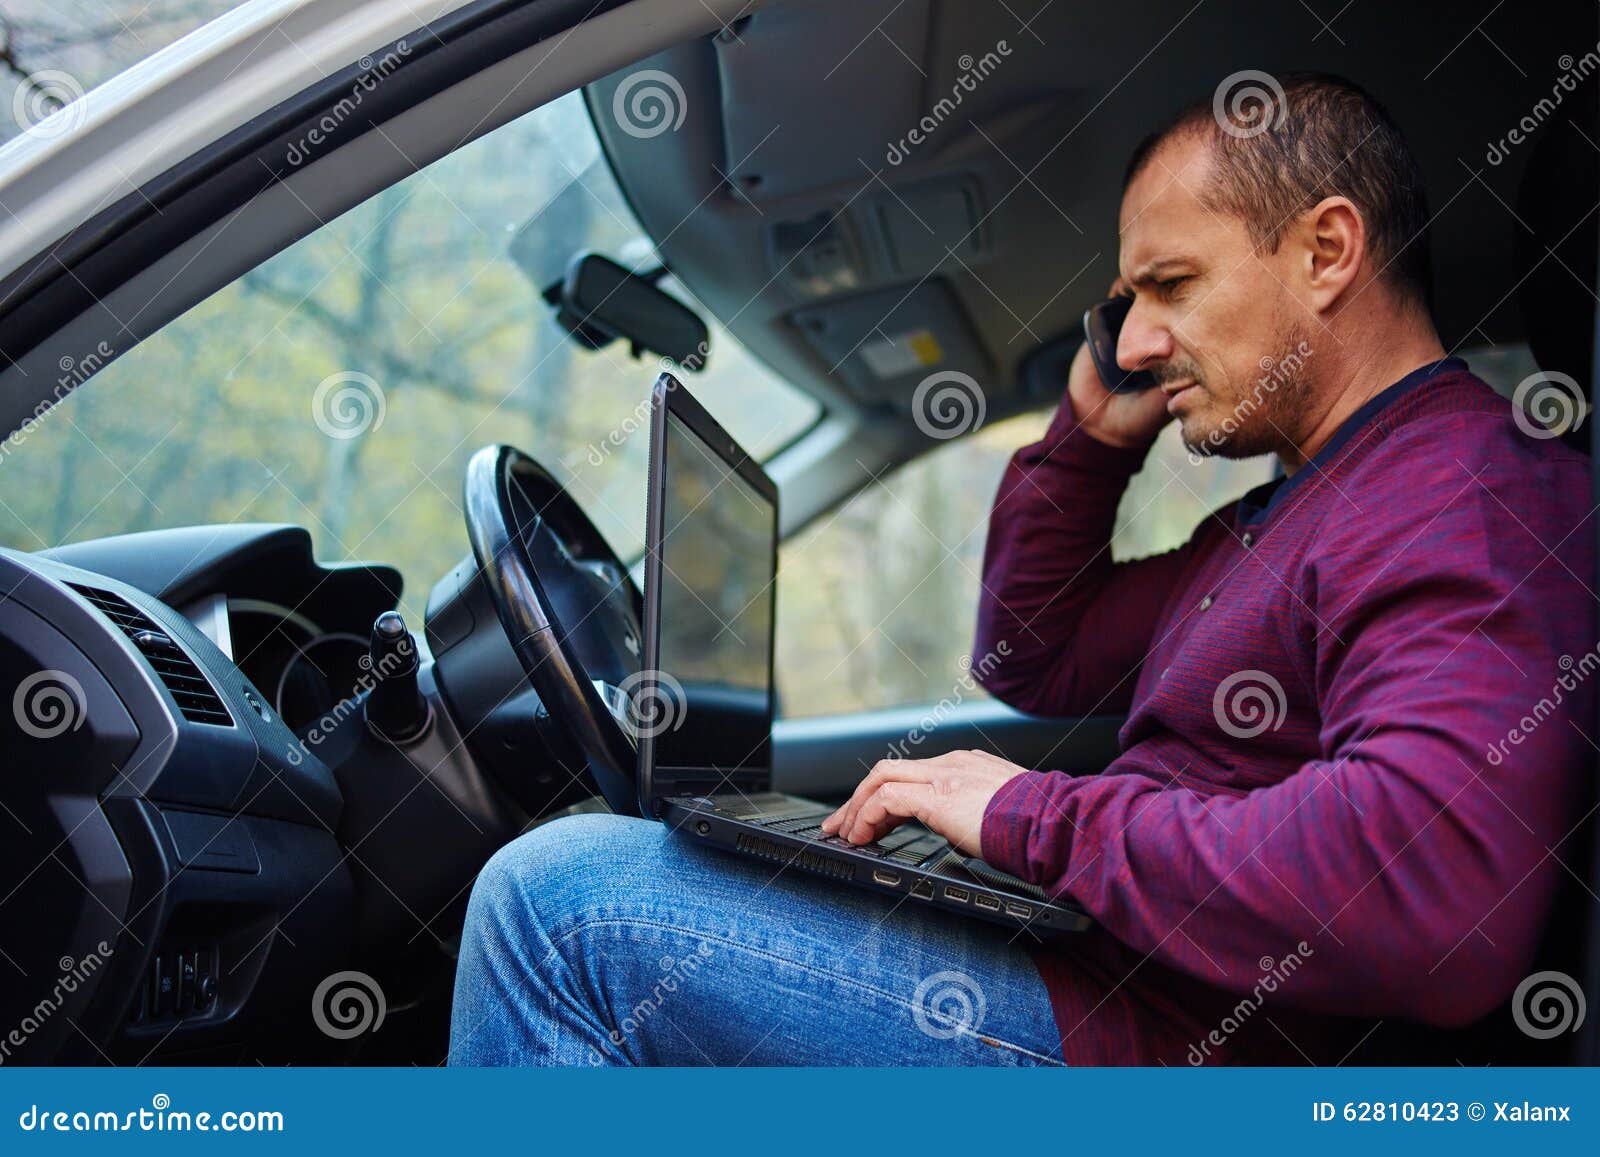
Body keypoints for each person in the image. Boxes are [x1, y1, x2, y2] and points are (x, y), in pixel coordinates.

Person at [447, 73, 1595, 1066]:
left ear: (1327, 250)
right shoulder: (1294, 507)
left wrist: (1034, 819)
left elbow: (1429, 893)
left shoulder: (1469, 495)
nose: (1133, 339)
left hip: (1154, 1045)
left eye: (1170, 284)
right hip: (1096, 979)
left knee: (555, 907)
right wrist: (1089, 442)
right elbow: (1028, 653)